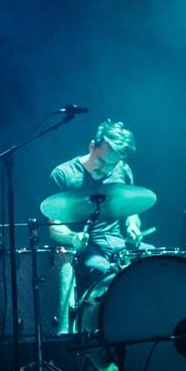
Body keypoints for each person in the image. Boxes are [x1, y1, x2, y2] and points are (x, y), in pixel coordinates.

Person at [47, 120, 148, 298]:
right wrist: (72, 237)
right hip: (85, 249)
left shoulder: (123, 170)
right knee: (106, 274)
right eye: (101, 161)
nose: (104, 169)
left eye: (111, 165)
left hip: (118, 243)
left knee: (159, 261)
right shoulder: (64, 174)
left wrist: (133, 225)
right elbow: (54, 228)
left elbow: (132, 210)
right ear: (92, 146)